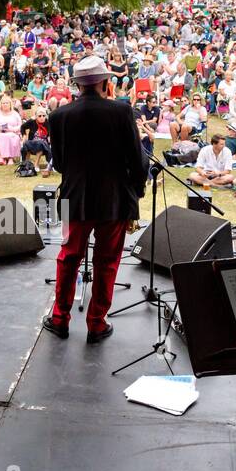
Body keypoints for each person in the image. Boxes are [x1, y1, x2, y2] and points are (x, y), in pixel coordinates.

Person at [44, 56, 147, 343]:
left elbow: (61, 163)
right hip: (113, 202)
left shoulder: (59, 116)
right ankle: (96, 323)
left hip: (73, 199)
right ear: (105, 82)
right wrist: (135, 195)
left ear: (77, 85)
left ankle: (59, 318)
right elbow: (137, 163)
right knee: (107, 262)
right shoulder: (122, 112)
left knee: (67, 259)